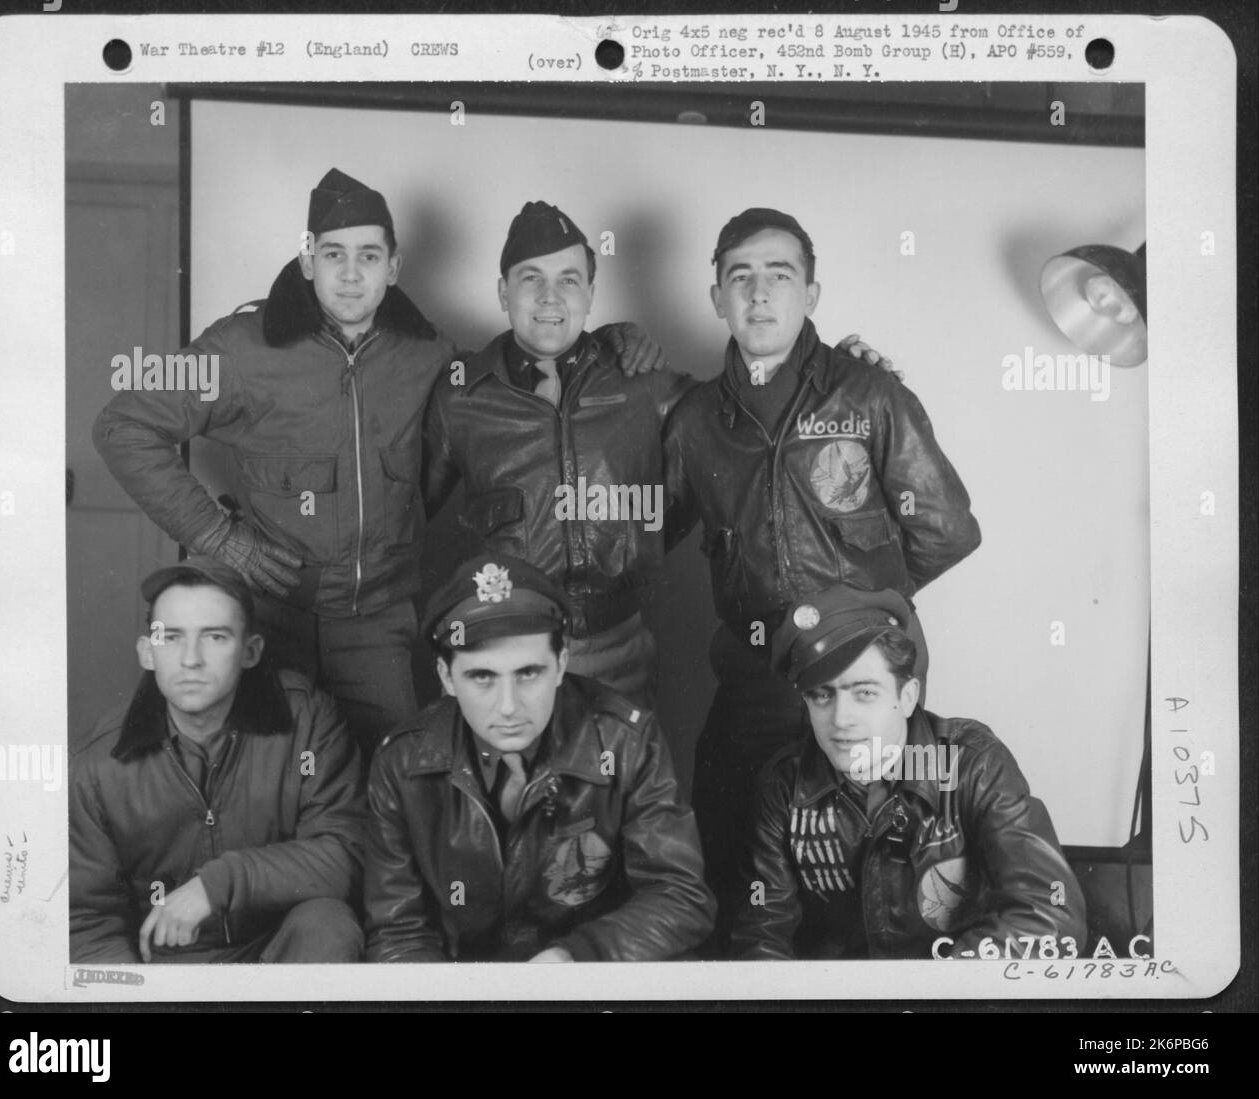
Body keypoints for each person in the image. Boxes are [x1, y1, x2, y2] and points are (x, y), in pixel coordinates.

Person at [94, 170, 663, 762]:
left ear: (393, 268)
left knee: (394, 781)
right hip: (274, 613)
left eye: (369, 255)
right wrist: (221, 539)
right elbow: (122, 425)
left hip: (378, 626)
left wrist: (607, 343)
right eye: (333, 254)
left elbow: (518, 386)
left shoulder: (430, 356)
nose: (349, 273)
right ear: (308, 260)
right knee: (258, 778)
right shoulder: (239, 348)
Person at [663, 207, 982, 939]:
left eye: (781, 275)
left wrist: (863, 620)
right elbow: (648, 531)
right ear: (716, 298)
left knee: (874, 847)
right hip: (755, 672)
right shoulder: (694, 420)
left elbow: (947, 528)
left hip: (859, 670)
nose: (760, 293)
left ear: (812, 293)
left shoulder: (867, 394)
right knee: (736, 839)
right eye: (740, 277)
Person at [364, 552, 715, 962]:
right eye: (482, 677)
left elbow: (680, 895)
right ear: (446, 678)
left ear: (562, 663)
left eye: (528, 673)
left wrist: (577, 957)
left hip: (591, 986)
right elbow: (399, 932)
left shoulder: (626, 741)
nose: (509, 706)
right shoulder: (402, 764)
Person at [422, 201, 694, 704]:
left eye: (569, 280)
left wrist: (849, 371)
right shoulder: (459, 396)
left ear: (590, 294)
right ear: (503, 291)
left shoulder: (643, 382)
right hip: (506, 657)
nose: (550, 297)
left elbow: (738, 427)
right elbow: (401, 513)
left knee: (619, 777)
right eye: (531, 279)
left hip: (618, 653)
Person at [730, 585, 1086, 960]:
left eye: (864, 693)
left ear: (907, 696)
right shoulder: (784, 785)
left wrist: (938, 990)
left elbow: (1051, 913)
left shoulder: (971, 764)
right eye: (822, 695)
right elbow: (761, 936)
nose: (841, 720)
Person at [69, 557, 365, 964]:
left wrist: (218, 883)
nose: (191, 659)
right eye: (170, 637)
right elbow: (86, 920)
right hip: (167, 974)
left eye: (215, 637)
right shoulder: (98, 762)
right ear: (147, 653)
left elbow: (345, 856)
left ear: (251, 651)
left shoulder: (307, 719)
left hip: (277, 953)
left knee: (328, 923)